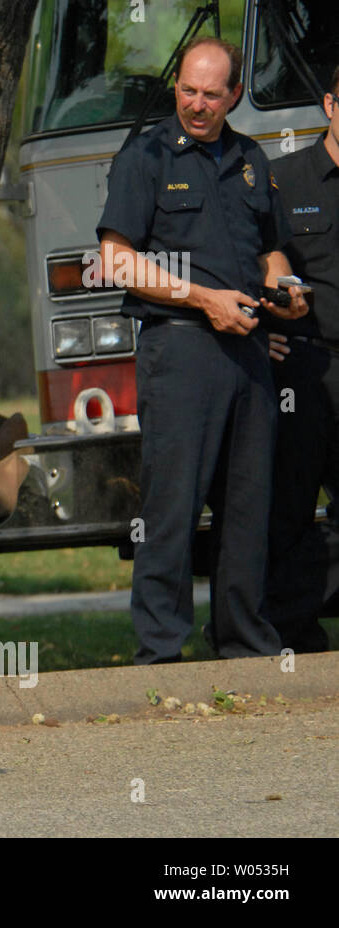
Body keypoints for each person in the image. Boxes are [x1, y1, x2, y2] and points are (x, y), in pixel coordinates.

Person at [96, 37, 309, 665]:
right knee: (173, 506)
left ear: (233, 96)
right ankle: (160, 652)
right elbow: (115, 260)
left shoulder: (250, 158)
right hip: (180, 351)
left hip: (249, 354)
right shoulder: (146, 155)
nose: (197, 104)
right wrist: (203, 299)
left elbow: (272, 249)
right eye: (188, 90)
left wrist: (284, 288)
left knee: (249, 508)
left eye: (211, 94)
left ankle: (244, 644)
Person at [263, 65, 339, 653]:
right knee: (290, 506)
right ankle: (293, 636)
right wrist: (261, 328)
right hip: (309, 367)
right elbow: (251, 262)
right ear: (330, 105)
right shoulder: (283, 180)